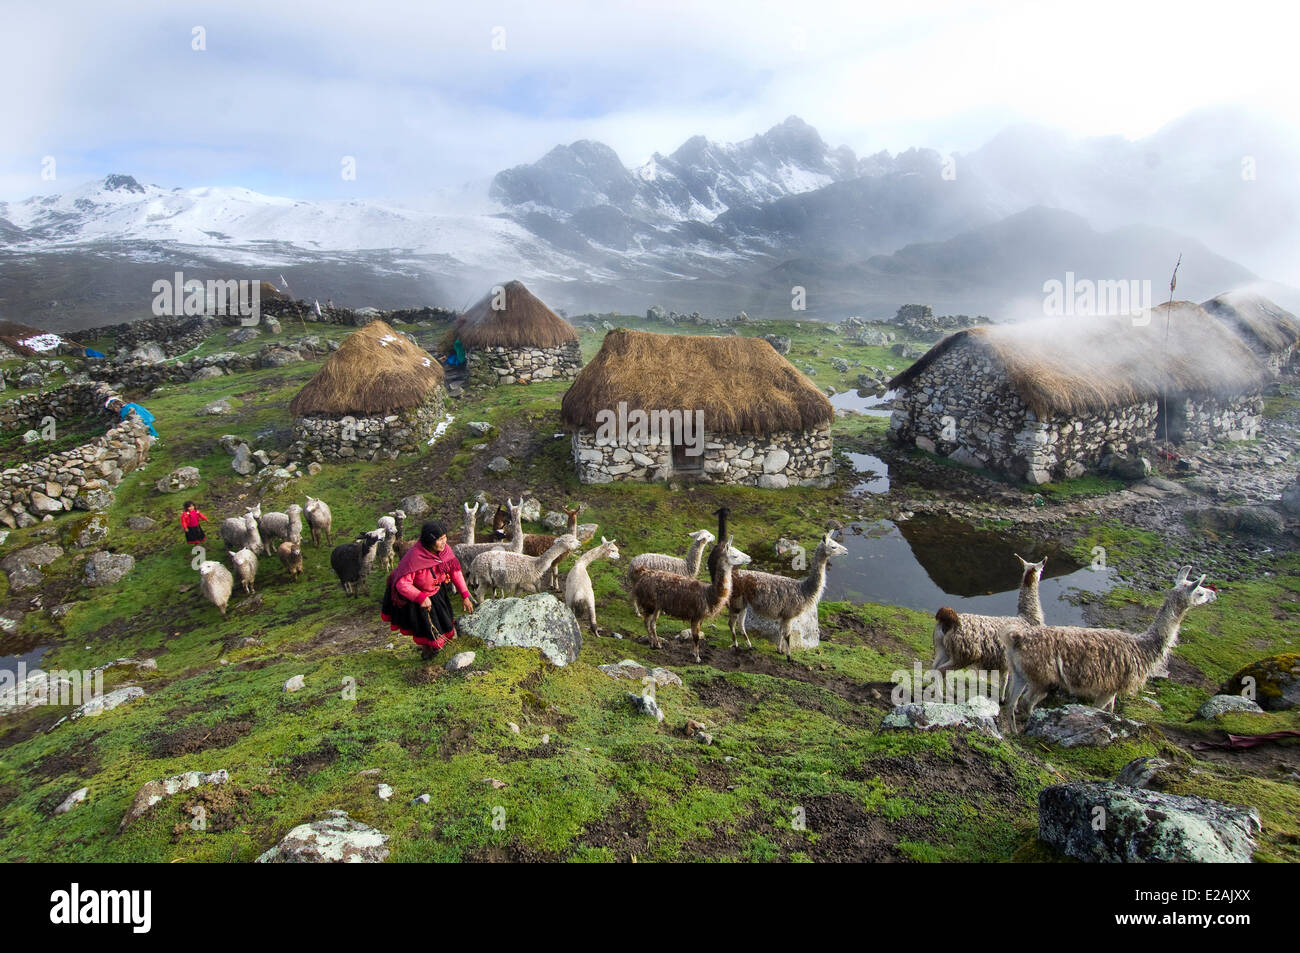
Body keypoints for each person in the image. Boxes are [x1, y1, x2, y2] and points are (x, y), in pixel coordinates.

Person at [381, 520, 474, 660]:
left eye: (445, 537)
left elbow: (455, 572)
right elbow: (402, 584)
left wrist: (465, 595)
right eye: (440, 539)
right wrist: (421, 597)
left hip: (437, 593)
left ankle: (440, 648)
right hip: (417, 599)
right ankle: (428, 652)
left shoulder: (445, 551)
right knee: (426, 628)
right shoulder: (414, 558)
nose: (444, 542)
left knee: (444, 621)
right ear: (430, 541)